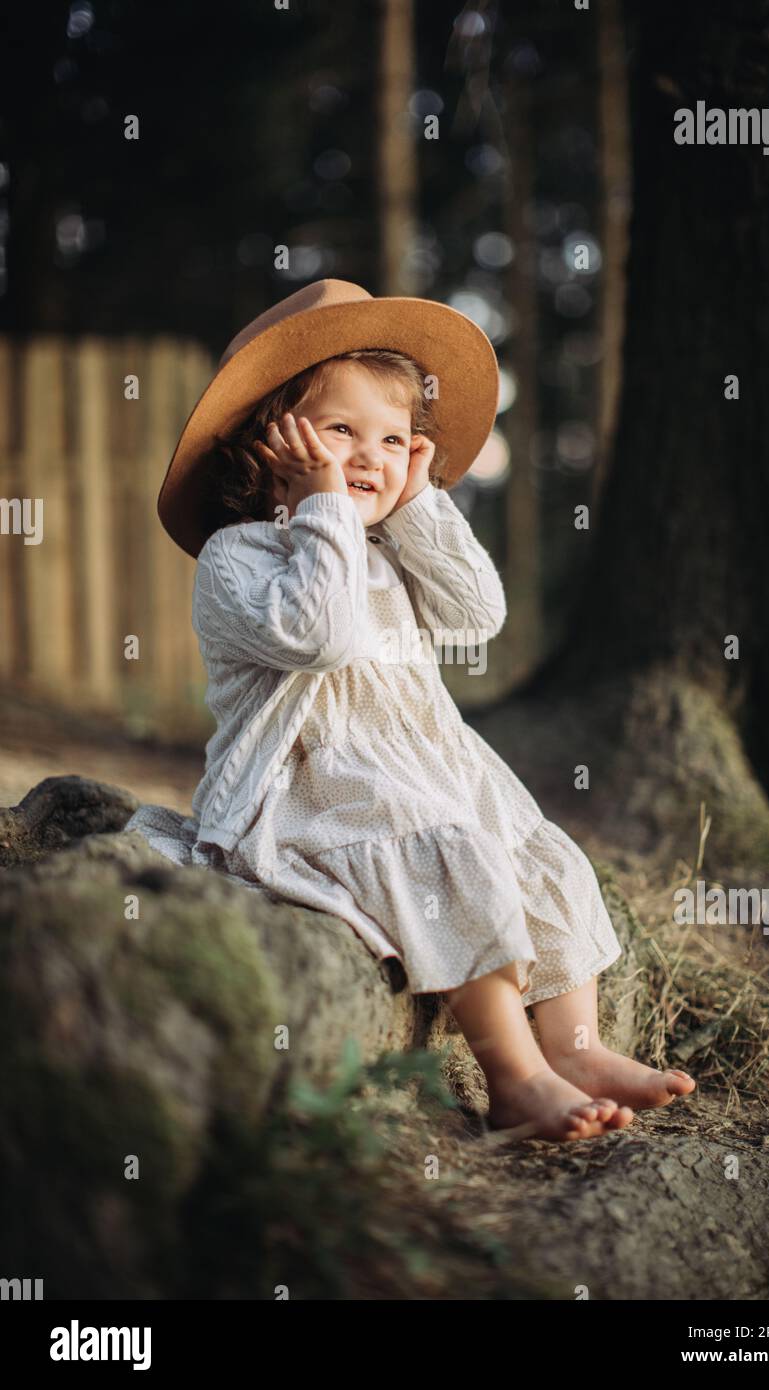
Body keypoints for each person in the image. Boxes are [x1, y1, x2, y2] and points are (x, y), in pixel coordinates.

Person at [126, 278, 695, 1142]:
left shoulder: (391, 547)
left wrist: (422, 501)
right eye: (341, 431)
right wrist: (322, 505)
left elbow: (477, 614)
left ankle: (573, 1048)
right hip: (315, 781)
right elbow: (321, 634)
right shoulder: (239, 557)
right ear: (267, 440)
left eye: (393, 439)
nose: (368, 456)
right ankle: (514, 1080)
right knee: (450, 851)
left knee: (543, 855)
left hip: (429, 768)